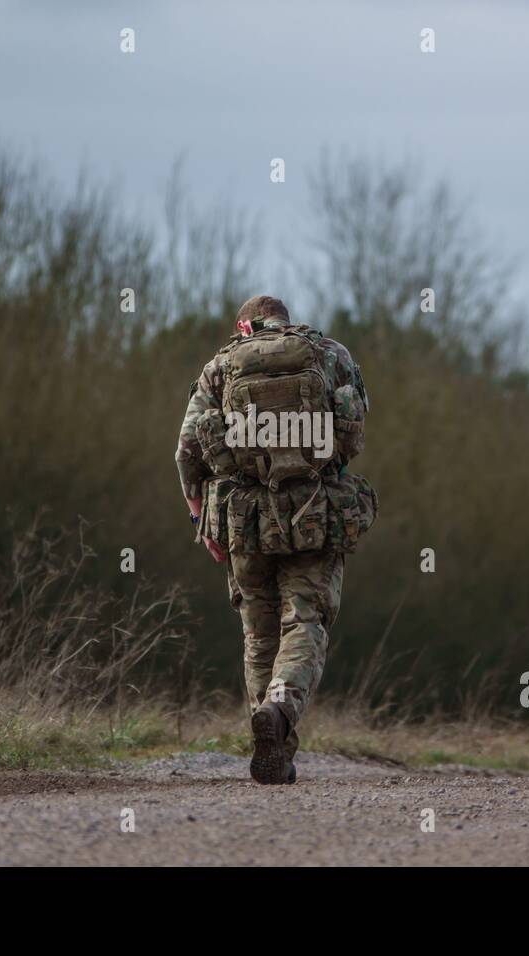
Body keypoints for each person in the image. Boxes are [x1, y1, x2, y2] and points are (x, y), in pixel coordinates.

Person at [174, 295, 376, 784]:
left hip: (243, 521)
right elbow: (355, 431)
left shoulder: (220, 366)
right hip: (314, 515)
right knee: (304, 621)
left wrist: (201, 516)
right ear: (284, 320)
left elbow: (186, 451)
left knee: (259, 634)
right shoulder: (331, 355)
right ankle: (281, 707)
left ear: (245, 325)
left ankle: (273, 746)